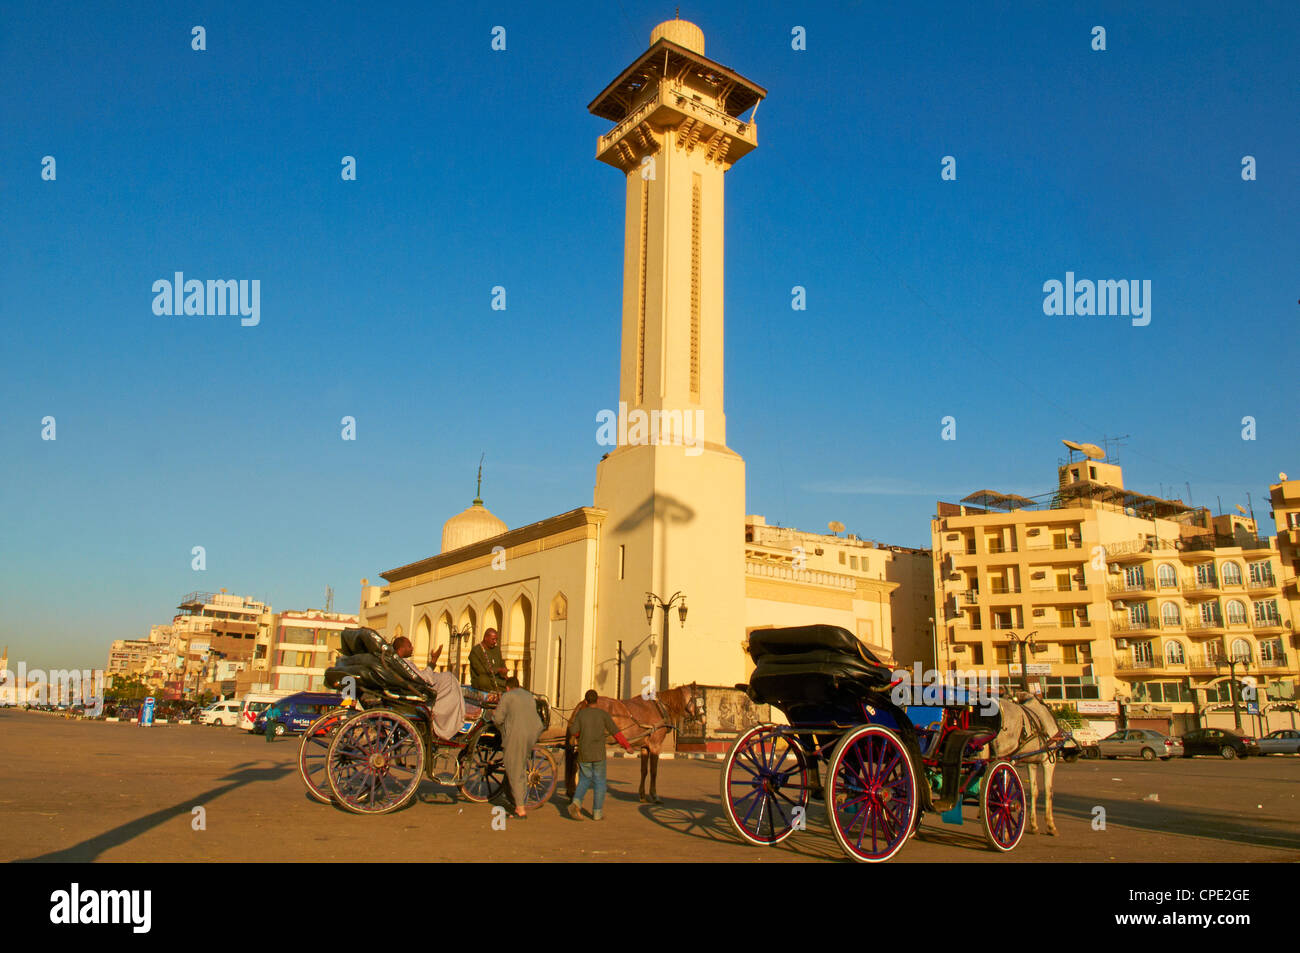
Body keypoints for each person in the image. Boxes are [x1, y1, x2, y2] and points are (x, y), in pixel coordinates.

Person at [566, 690, 632, 821]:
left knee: (584, 779)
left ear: (585, 701)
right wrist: (627, 746)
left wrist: (580, 733)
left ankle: (576, 803)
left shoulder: (581, 714)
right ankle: (597, 813)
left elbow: (573, 730)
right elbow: (615, 732)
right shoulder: (603, 715)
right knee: (600, 782)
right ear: (597, 701)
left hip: (584, 753)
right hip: (599, 754)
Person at [489, 675, 542, 819]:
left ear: (507, 687)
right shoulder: (528, 695)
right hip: (533, 733)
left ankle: (520, 809)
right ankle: (517, 801)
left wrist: (493, 717)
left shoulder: (508, 696)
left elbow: (498, 719)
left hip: (517, 736)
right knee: (520, 766)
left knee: (515, 769)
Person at [392, 637, 465, 741]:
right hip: (419, 689)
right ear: (401, 648)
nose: (412, 648)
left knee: (449, 678)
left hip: (418, 687)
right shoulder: (403, 663)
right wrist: (434, 660)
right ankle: (442, 724)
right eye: (409, 646)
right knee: (450, 679)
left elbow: (420, 676)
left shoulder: (400, 663)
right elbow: (423, 678)